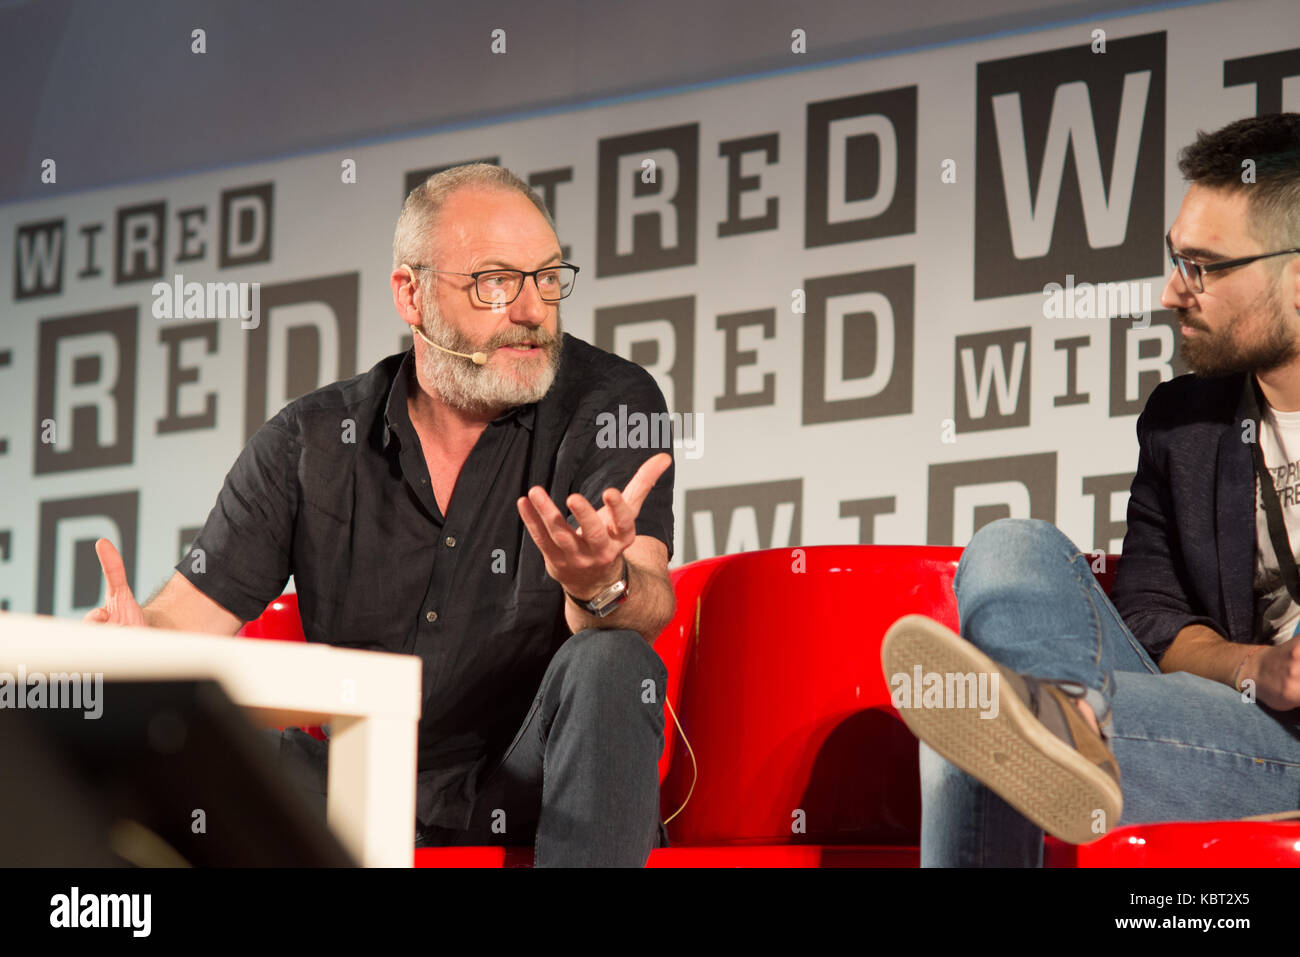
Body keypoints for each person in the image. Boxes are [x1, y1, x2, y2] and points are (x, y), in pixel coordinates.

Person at [83, 163, 678, 867]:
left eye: (548, 278)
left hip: (529, 783)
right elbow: (188, 619)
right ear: (412, 294)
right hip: (356, 790)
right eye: (496, 281)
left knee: (610, 656)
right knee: (202, 742)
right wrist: (133, 648)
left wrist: (599, 583)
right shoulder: (313, 441)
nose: (533, 310)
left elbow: (644, 598)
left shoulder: (609, 402)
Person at [882, 113, 1300, 866]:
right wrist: (1254, 668)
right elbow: (1152, 616)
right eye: (1176, 259)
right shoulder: (1184, 422)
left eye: (1203, 267)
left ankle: (1048, 723)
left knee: (971, 723)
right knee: (1011, 548)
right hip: (1227, 717)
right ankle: (1063, 717)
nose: (1173, 292)